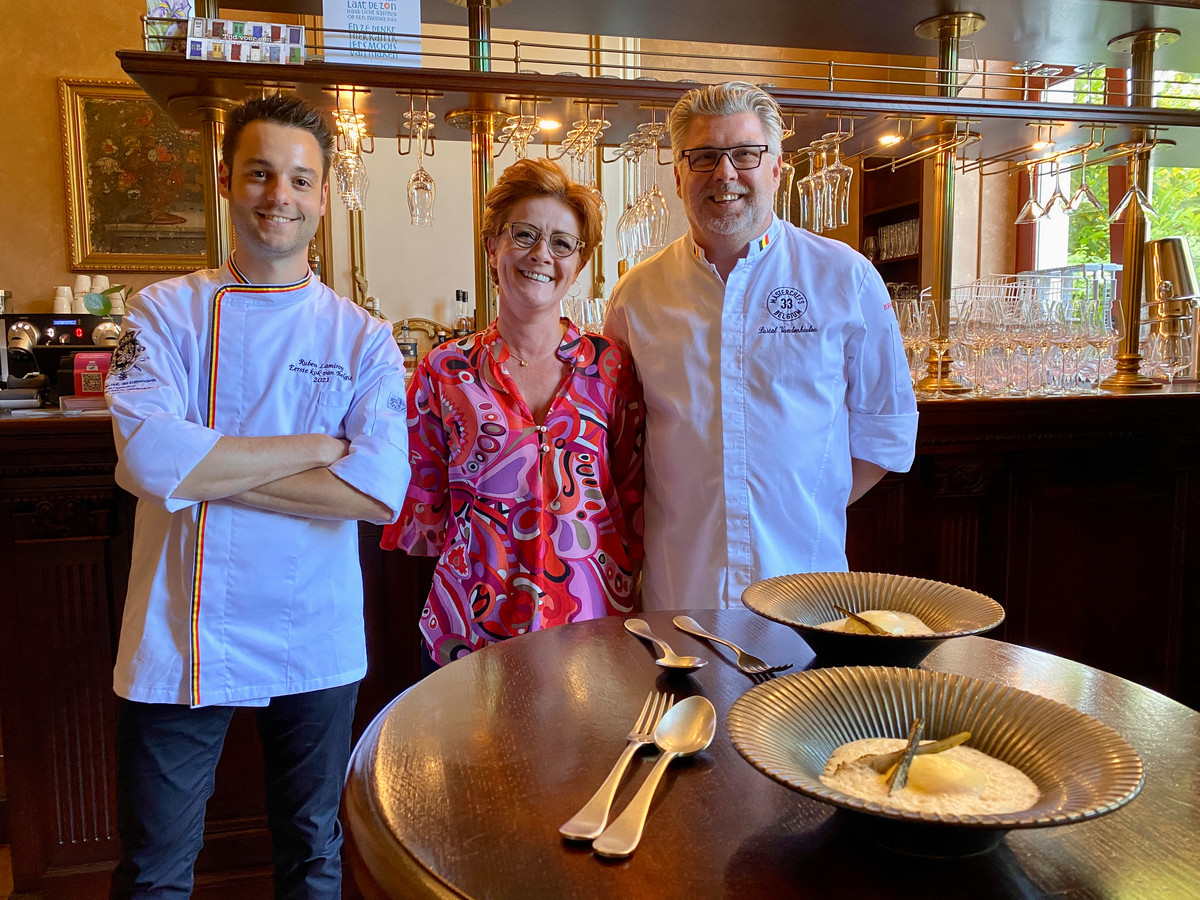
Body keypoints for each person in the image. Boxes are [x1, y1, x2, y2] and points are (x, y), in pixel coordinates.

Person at [104, 94, 409, 899]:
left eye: (301, 179)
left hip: (313, 627)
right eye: (261, 174)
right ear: (224, 180)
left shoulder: (361, 337)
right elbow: (146, 458)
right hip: (182, 625)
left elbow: (378, 493)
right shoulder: (161, 312)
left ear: (323, 192)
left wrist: (206, 474)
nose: (281, 195)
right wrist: (316, 449)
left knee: (313, 852)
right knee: (154, 865)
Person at [603, 81, 917, 610]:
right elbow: (619, 446)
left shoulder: (845, 277)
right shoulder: (636, 295)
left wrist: (802, 503)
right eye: (703, 157)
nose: (725, 174)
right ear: (679, 176)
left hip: (809, 596)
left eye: (745, 154)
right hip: (682, 596)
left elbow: (885, 432)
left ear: (776, 168)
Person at [382, 157, 644, 669]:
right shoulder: (445, 370)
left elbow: (632, 502)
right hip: (472, 626)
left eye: (562, 243)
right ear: (492, 247)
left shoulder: (610, 366)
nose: (541, 254)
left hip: (593, 626)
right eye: (524, 234)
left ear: (579, 262)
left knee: (591, 752)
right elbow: (424, 514)